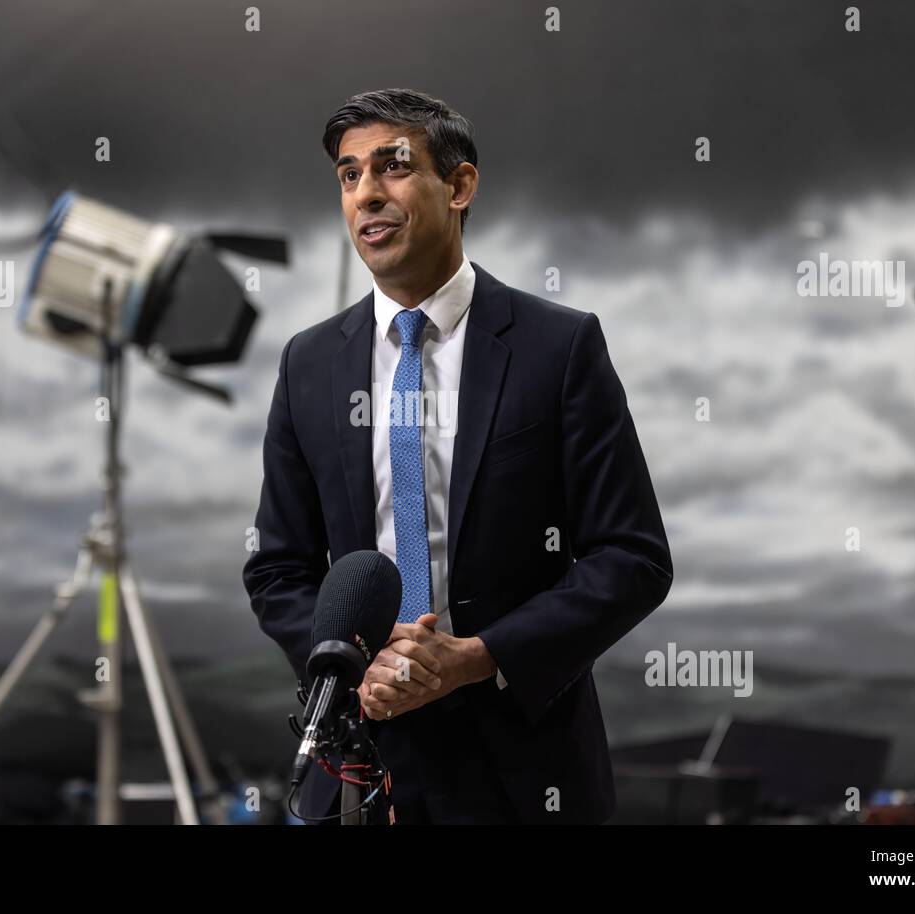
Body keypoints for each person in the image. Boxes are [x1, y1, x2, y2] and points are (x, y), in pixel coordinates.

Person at [243, 88, 673, 824]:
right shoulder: (308, 363)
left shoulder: (559, 348)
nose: (367, 195)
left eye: (393, 167)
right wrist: (357, 665)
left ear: (460, 185)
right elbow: (277, 567)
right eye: (349, 176)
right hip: (358, 763)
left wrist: (477, 656)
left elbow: (631, 557)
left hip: (524, 769)